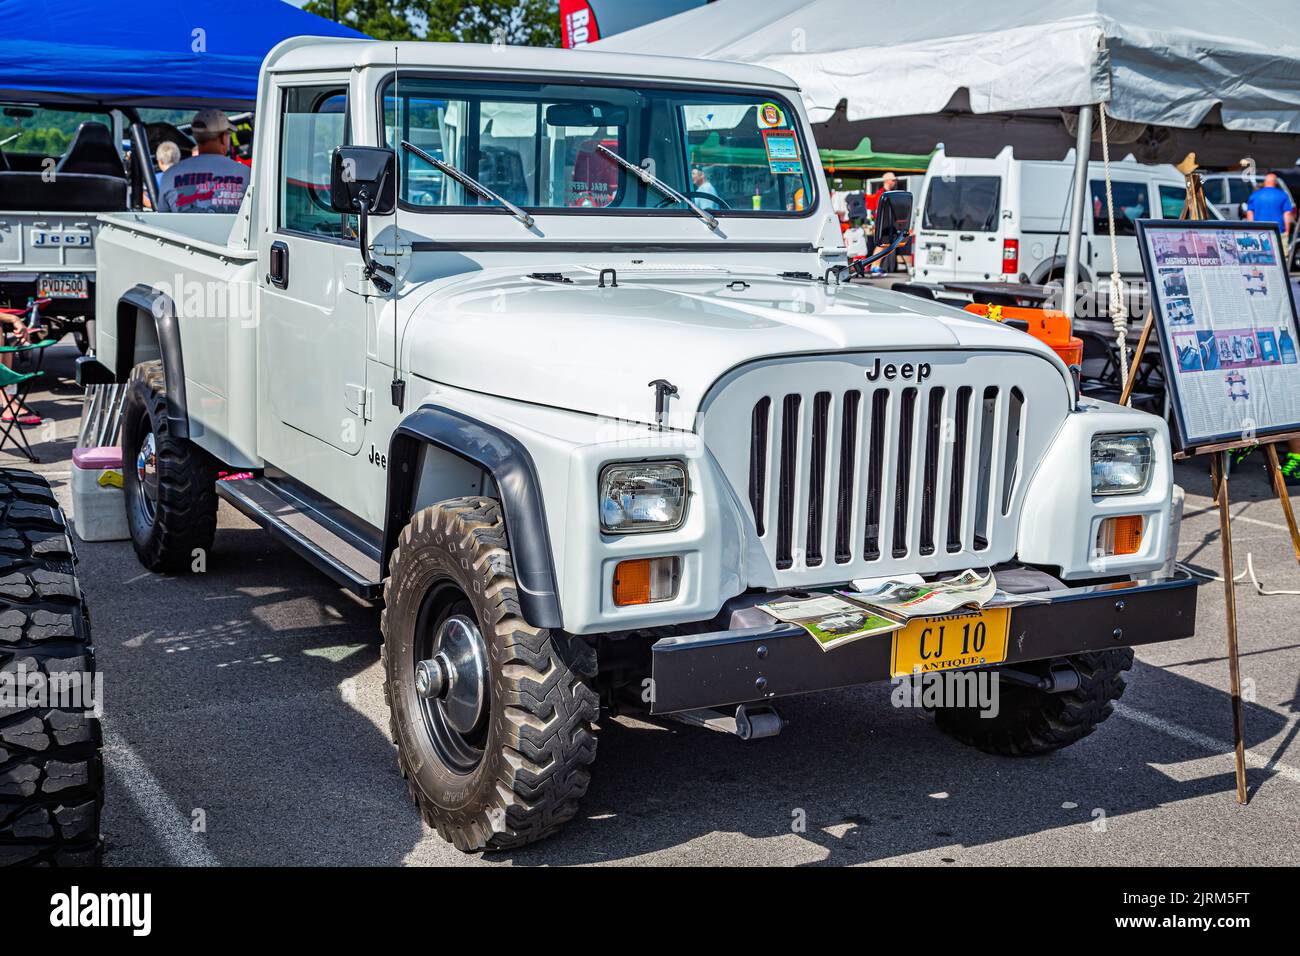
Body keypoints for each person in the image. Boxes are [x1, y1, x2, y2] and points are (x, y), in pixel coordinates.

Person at [156, 109, 249, 213]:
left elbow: (163, 219)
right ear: (223, 138)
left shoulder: (169, 175)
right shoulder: (245, 173)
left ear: (196, 137)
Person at [1245, 173, 1295, 242]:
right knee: (1281, 252)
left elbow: (1250, 213)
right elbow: (1287, 214)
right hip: (1278, 232)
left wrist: (1251, 230)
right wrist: (1287, 231)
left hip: (1259, 232)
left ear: (1265, 182)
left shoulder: (1254, 195)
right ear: (1275, 183)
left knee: (1262, 252)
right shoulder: (1283, 195)